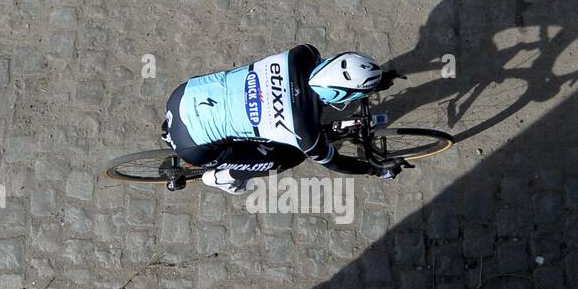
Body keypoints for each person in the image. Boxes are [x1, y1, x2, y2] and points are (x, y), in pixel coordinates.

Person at [161, 45, 405, 194]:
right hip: (194, 147)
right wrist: (375, 170)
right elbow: (336, 162)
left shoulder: (304, 54)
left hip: (184, 94)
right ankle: (223, 179)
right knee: (289, 157)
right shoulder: (306, 134)